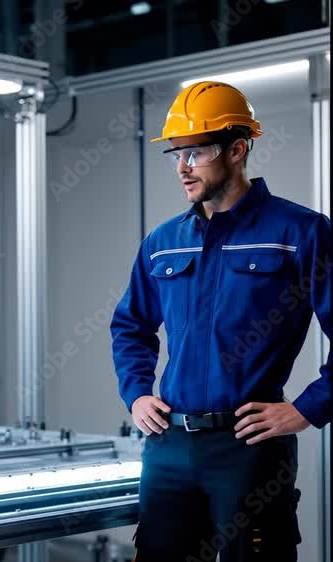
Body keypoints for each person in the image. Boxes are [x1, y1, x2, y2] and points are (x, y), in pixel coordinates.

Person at [110, 81, 331, 561]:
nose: (183, 167)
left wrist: (308, 409)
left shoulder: (300, 233)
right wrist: (136, 393)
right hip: (168, 447)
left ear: (238, 148)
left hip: (247, 449)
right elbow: (130, 325)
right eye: (176, 154)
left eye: (198, 151)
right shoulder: (163, 241)